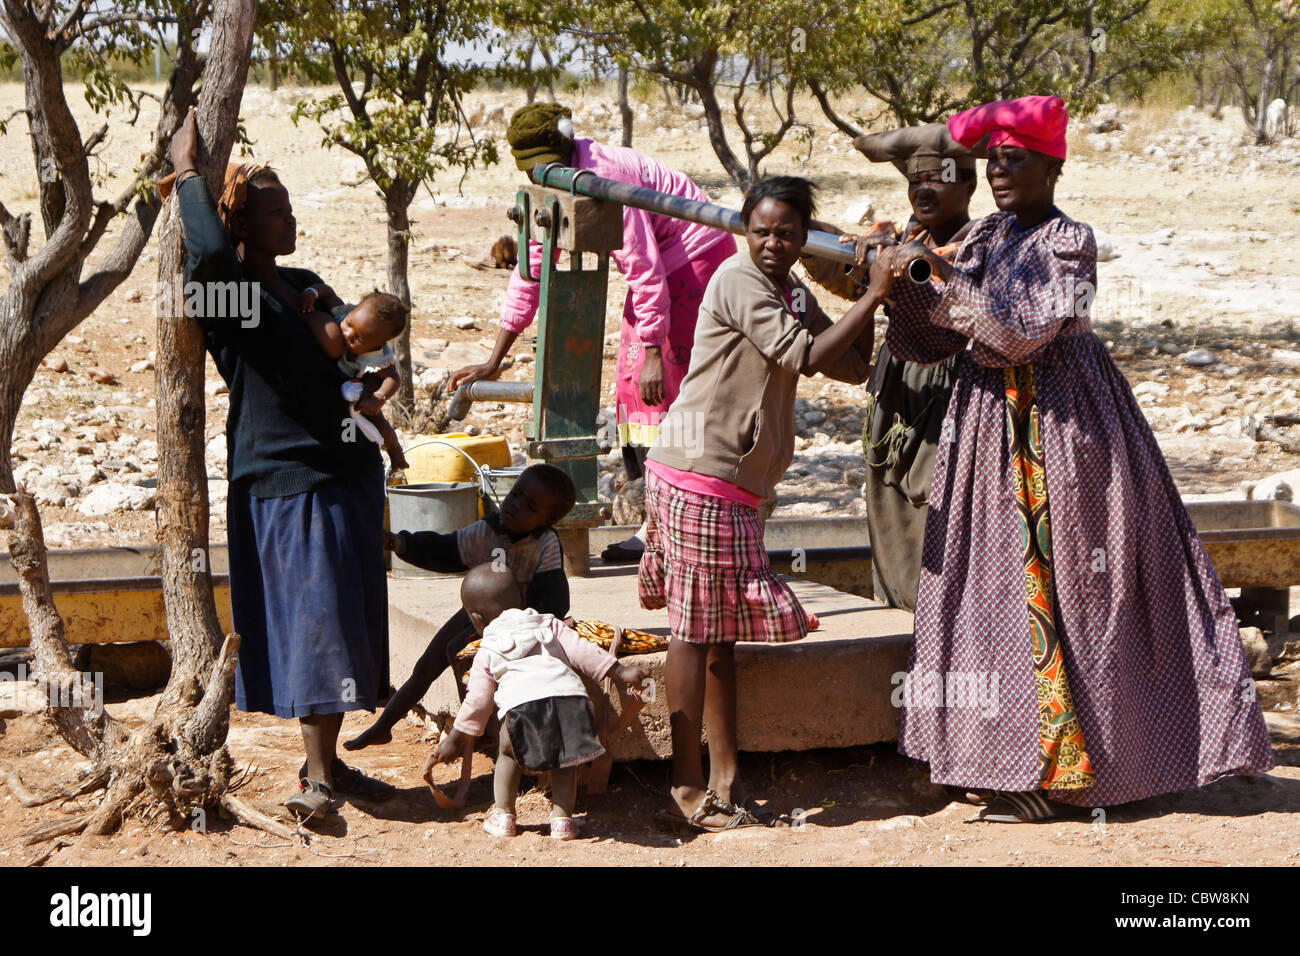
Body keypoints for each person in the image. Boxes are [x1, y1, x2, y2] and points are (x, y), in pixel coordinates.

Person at [884, 95, 1274, 821]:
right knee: (992, 591)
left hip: (1066, 435)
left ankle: (1091, 770)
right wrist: (896, 279)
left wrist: (932, 277)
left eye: (1015, 160)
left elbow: (1018, 333)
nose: (999, 173)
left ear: (1051, 166)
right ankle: (1005, 765)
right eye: (992, 161)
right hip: (988, 435)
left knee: (1083, 588)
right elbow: (929, 341)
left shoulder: (1070, 243)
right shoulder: (984, 237)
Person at [170, 107, 393, 821]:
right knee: (314, 624)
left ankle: (325, 767)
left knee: (342, 621)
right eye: (273, 212)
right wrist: (186, 179)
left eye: (291, 207)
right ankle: (319, 785)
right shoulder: (229, 298)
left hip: (344, 473)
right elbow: (202, 256)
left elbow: (361, 342)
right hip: (287, 481)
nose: (288, 221)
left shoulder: (302, 282)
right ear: (240, 225)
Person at [641, 176, 879, 831]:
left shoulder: (791, 288)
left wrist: (862, 288)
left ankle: (724, 779)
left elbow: (853, 366)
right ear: (746, 230)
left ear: (805, 238)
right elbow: (804, 356)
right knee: (693, 637)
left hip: (734, 483)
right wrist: (879, 292)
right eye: (763, 230)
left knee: (719, 641)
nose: (774, 243)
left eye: (788, 233)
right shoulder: (739, 279)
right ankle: (686, 788)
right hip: (701, 474)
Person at [449, 103, 737, 564]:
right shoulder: (561, 182)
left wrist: (653, 348)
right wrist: (494, 358)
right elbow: (532, 268)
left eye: (543, 167)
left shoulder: (602, 181)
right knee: (632, 389)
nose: (539, 176)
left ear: (560, 155)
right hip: (663, 270)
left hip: (694, 257)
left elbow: (643, 266)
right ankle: (657, 528)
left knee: (661, 392)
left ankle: (670, 533)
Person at [800, 123, 981, 611]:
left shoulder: (983, 248)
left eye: (940, 179)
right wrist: (854, 258)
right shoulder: (898, 241)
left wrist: (929, 267)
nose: (924, 190)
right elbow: (841, 273)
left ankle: (941, 627)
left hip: (953, 401)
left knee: (939, 513)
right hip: (897, 393)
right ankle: (896, 620)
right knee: (887, 503)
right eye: (915, 181)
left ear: (969, 187)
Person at [343, 463, 576, 757]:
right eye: (516, 494)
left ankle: (472, 731)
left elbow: (554, 600)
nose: (516, 505)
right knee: (427, 663)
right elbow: (446, 550)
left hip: (520, 623)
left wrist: (528, 625)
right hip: (479, 614)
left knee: (457, 650)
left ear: (547, 520)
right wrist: (396, 542)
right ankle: (386, 724)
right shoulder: (488, 530)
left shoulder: (545, 544)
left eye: (530, 506)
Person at [426, 565, 649, 840]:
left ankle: (505, 816)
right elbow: (585, 653)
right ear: (521, 598)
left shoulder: (487, 647)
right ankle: (563, 821)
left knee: (508, 756)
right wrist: (620, 671)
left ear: (476, 618)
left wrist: (456, 738)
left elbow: (478, 700)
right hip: (570, 701)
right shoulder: (550, 624)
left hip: (521, 709)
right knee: (565, 762)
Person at [296, 284, 411, 472]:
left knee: (380, 423)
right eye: (349, 324)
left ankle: (395, 451)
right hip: (327, 383)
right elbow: (329, 292)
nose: (347, 334)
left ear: (378, 344)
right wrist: (312, 293)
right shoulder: (343, 312)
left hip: (355, 388)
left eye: (360, 339)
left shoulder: (379, 353)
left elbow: (392, 378)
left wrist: (377, 398)